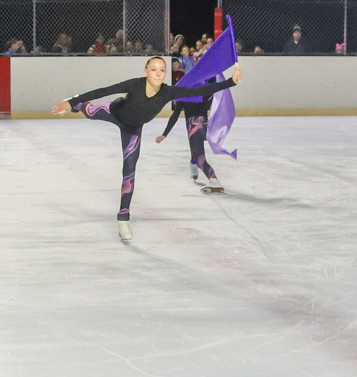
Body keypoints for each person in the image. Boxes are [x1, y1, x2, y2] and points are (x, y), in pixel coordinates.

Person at [53, 56, 243, 241]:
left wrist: (231, 82)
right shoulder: (135, 84)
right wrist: (70, 103)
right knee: (90, 110)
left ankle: (123, 217)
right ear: (146, 71)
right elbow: (104, 90)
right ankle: (77, 104)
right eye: (154, 69)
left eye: (162, 70)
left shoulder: (168, 92)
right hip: (114, 112)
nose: (158, 73)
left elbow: (203, 89)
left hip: (133, 129)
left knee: (129, 170)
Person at [157, 58, 228, 192]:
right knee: (196, 153)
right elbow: (221, 86)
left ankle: (214, 179)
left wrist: (165, 134)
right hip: (204, 127)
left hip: (196, 128)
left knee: (200, 156)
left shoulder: (191, 92)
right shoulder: (201, 90)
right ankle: (193, 164)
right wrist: (233, 80)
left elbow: (175, 115)